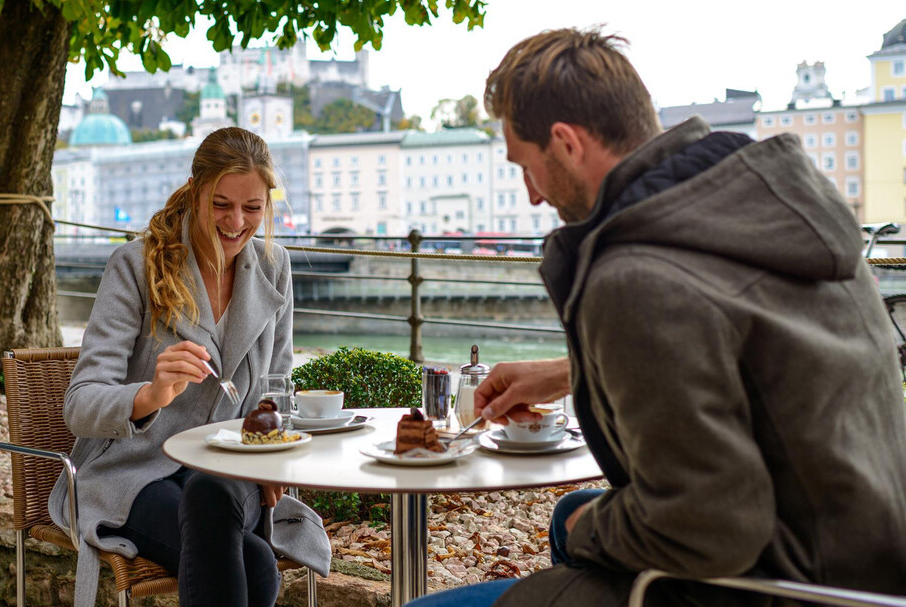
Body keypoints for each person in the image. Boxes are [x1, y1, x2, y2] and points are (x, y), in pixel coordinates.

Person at [408, 27, 906, 607]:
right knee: (574, 505)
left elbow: (706, 526)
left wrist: (587, 531)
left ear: (567, 143)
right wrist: (568, 371)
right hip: (873, 557)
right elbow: (735, 344)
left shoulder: (634, 277)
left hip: (780, 588)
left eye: (526, 166)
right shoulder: (769, 205)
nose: (533, 196)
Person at [48, 127, 295, 607]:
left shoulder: (274, 266)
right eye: (221, 204)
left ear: (268, 203)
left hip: (231, 472)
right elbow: (79, 406)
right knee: (256, 561)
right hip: (133, 473)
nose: (236, 222)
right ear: (196, 189)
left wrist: (274, 450)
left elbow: (278, 388)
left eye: (252, 208)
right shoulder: (134, 267)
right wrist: (151, 394)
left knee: (211, 491)